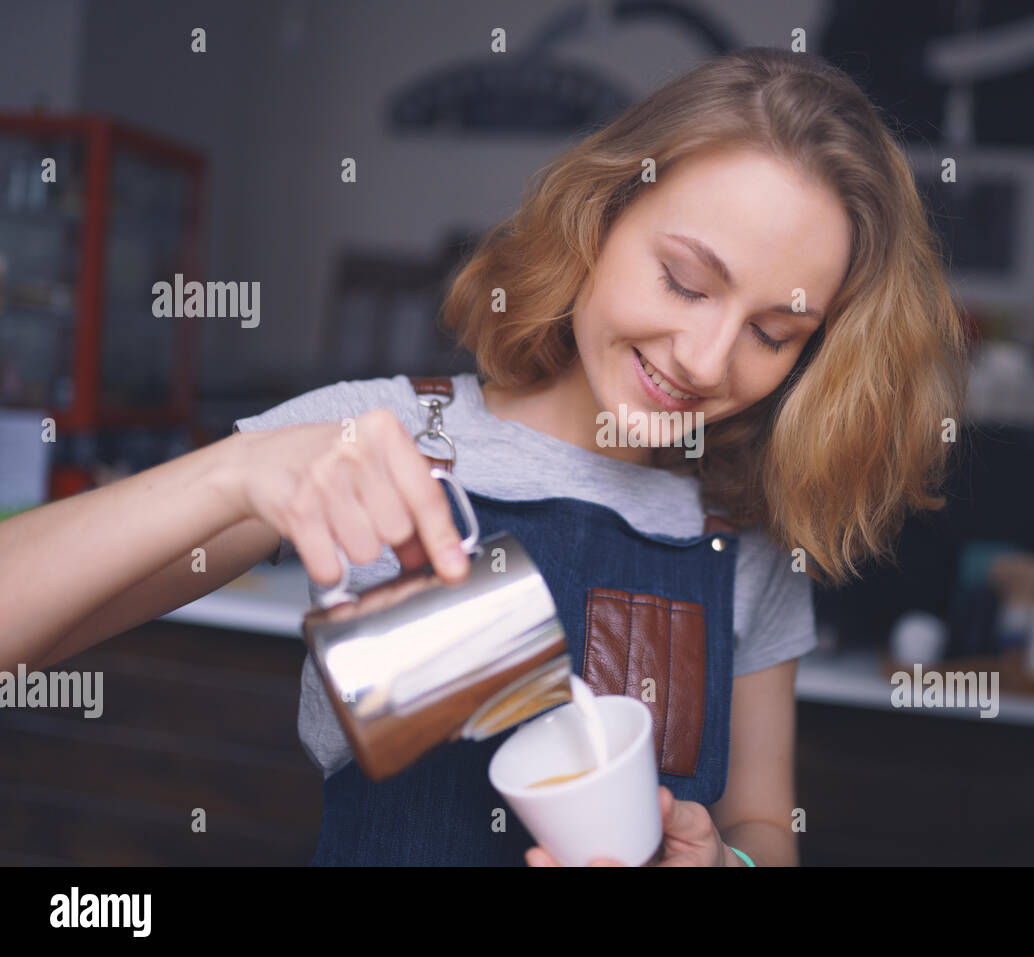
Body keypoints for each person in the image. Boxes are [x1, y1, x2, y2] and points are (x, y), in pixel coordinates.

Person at [0, 47, 968, 866]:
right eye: (682, 280)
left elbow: (765, 826)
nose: (706, 361)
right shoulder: (375, 437)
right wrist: (234, 473)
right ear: (598, 217)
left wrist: (727, 858)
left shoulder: (744, 545)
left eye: (773, 333)